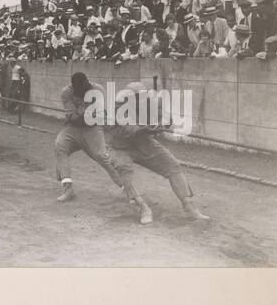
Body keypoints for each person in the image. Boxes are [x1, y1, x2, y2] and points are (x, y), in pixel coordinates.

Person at [107, 81, 210, 222]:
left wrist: (162, 123)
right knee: (124, 171)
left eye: (143, 96)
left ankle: (189, 207)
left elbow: (165, 117)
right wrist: (144, 128)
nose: (142, 100)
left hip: (144, 143)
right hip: (121, 147)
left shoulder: (151, 102)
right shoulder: (118, 106)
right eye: (138, 97)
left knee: (173, 166)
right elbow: (127, 128)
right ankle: (142, 206)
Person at [53, 72, 126, 205]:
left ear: (87, 82)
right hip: (73, 129)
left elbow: (96, 116)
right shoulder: (67, 92)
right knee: (60, 146)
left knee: (101, 156)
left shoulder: (97, 89)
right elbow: (73, 118)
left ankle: (126, 187)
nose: (83, 90)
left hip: (92, 128)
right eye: (79, 89)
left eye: (85, 86)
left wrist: (81, 113)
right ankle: (68, 189)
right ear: (74, 87)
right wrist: (84, 113)